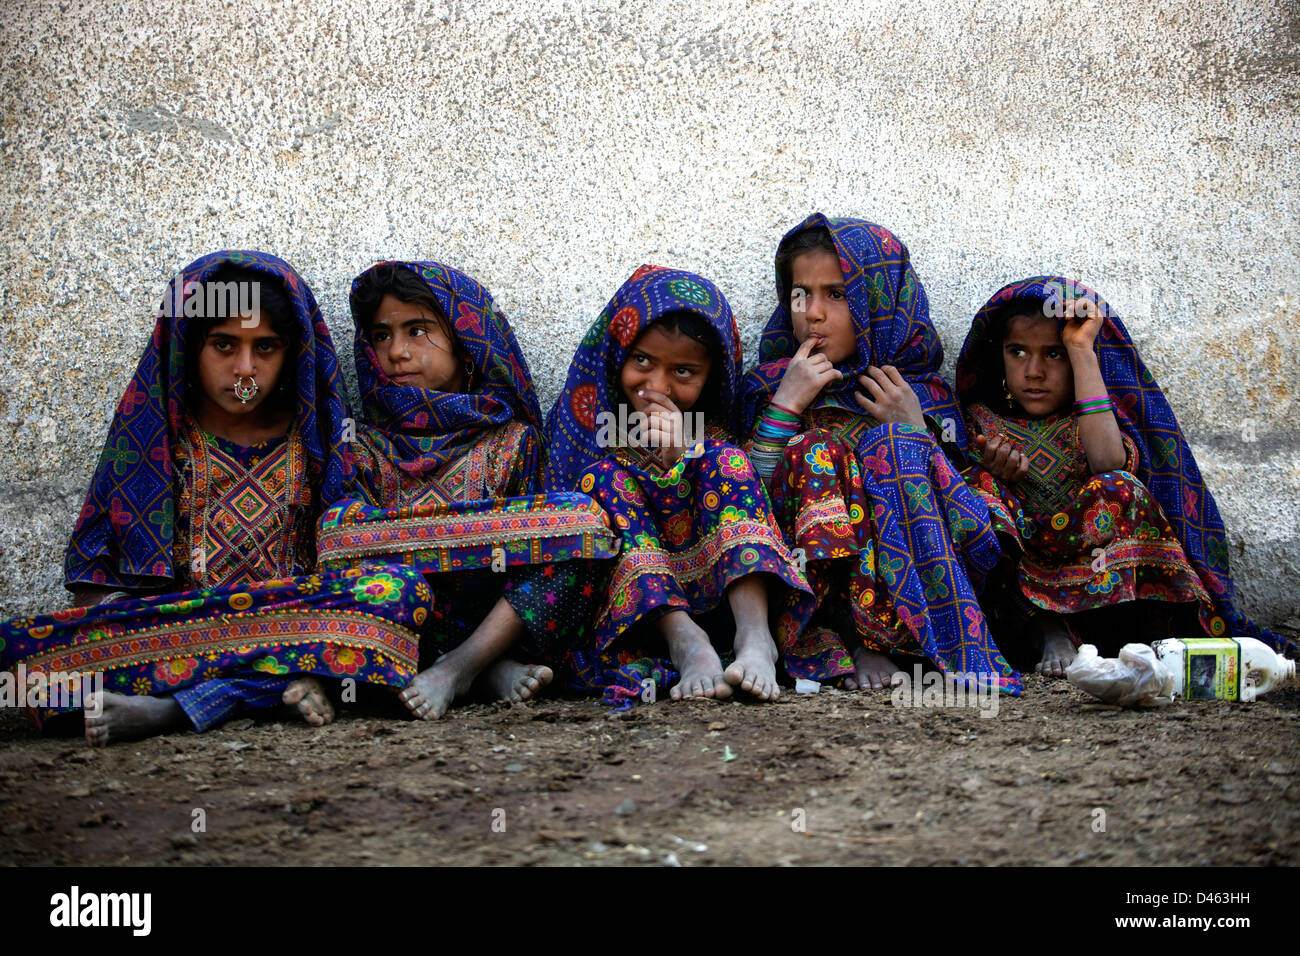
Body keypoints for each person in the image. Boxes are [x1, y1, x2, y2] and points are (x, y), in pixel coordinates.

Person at [2, 252, 430, 745]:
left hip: (293, 626)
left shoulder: (319, 442)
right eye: (224, 344)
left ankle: (186, 706)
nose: (245, 369)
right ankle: (268, 688)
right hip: (186, 633)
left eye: (265, 347)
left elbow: (352, 559)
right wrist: (141, 618)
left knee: (399, 590)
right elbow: (94, 587)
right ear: (188, 346)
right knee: (23, 661)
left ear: (293, 352)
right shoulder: (154, 442)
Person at [315, 261, 618, 719]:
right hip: (409, 613)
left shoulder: (512, 440)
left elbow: (545, 552)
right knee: (342, 538)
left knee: (581, 527)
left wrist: (424, 537)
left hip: (498, 617)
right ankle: (483, 669)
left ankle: (467, 663)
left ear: (466, 342)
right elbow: (339, 546)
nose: (396, 351)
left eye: (417, 330)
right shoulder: (365, 446)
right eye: (381, 335)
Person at [742, 214, 1020, 696]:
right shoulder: (769, 385)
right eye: (800, 293)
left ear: (880, 297)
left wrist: (914, 430)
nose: (813, 312)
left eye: (837, 294)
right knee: (816, 450)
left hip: (911, 572)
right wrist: (787, 404)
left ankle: (920, 636)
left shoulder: (921, 392)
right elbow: (746, 497)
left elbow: (955, 504)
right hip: (811, 576)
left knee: (900, 451)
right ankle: (849, 637)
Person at [953, 277, 1290, 672]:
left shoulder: (1093, 421)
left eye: (1054, 355)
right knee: (975, 492)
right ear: (1000, 356)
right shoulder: (981, 423)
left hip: (1095, 578)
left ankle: (1120, 634)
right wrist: (991, 472)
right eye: (1018, 352)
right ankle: (1049, 627)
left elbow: (1108, 463)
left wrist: (1080, 348)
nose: (1034, 371)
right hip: (1023, 588)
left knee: (1120, 488)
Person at [545, 264, 814, 709]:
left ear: (713, 376)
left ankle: (756, 637)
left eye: (684, 371)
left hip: (728, 596)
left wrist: (687, 453)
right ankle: (686, 641)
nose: (657, 385)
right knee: (602, 479)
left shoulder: (719, 429)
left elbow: (757, 494)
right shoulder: (586, 427)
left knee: (725, 459)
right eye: (642, 360)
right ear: (617, 354)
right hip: (645, 617)